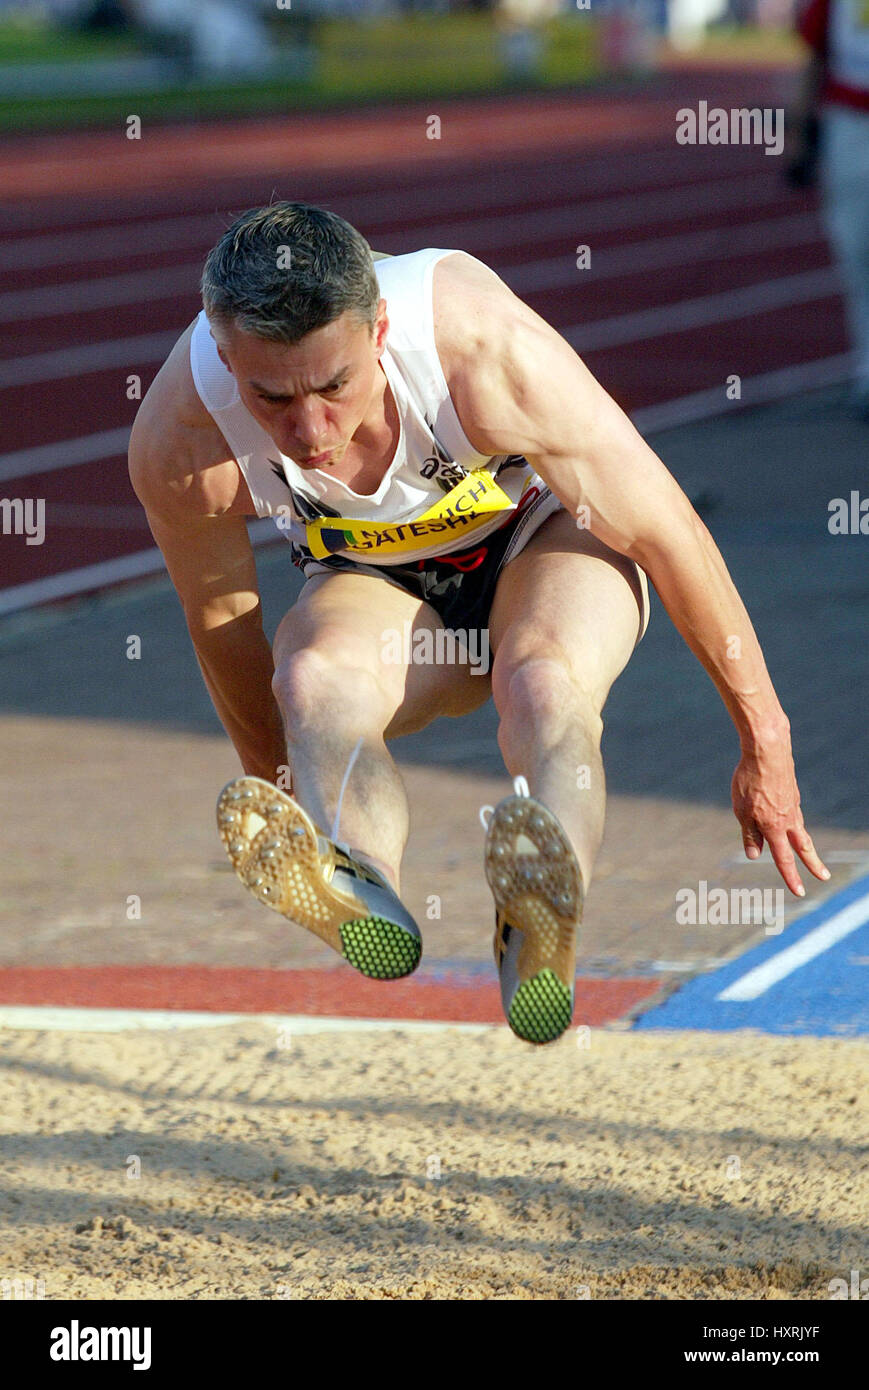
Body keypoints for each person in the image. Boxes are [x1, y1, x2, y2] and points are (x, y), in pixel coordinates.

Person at [128, 202, 830, 1045]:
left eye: (333, 386)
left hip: (543, 537)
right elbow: (221, 624)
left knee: (540, 683)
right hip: (375, 583)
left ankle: (543, 912)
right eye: (271, 396)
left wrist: (765, 739)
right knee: (312, 679)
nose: (308, 430)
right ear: (220, 343)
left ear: (379, 328)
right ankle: (358, 878)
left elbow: (666, 533)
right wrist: (286, 793)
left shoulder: (484, 350)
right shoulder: (181, 430)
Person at [788, 0, 869, 417]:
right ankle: (866, 376)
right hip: (850, 123)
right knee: (856, 252)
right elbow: (815, 58)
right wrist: (799, 134)